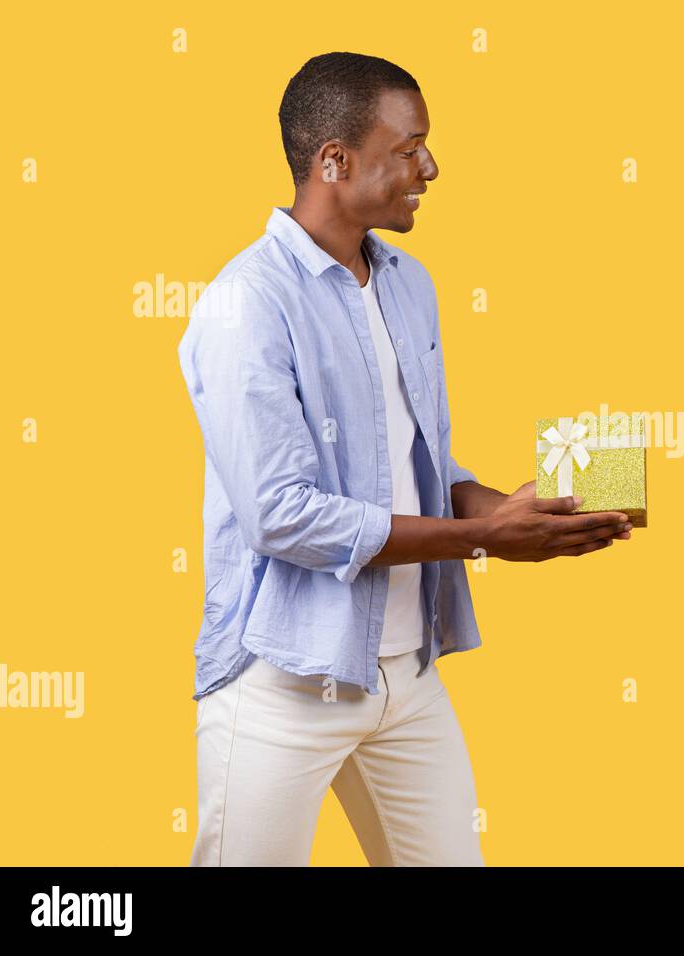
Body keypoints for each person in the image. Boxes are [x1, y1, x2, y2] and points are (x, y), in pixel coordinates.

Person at [177, 52, 633, 866]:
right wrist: (485, 541)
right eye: (410, 147)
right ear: (334, 161)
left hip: (403, 675)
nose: (431, 167)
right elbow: (282, 514)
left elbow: (419, 474)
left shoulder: (407, 283)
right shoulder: (247, 304)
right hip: (284, 674)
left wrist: (518, 512)